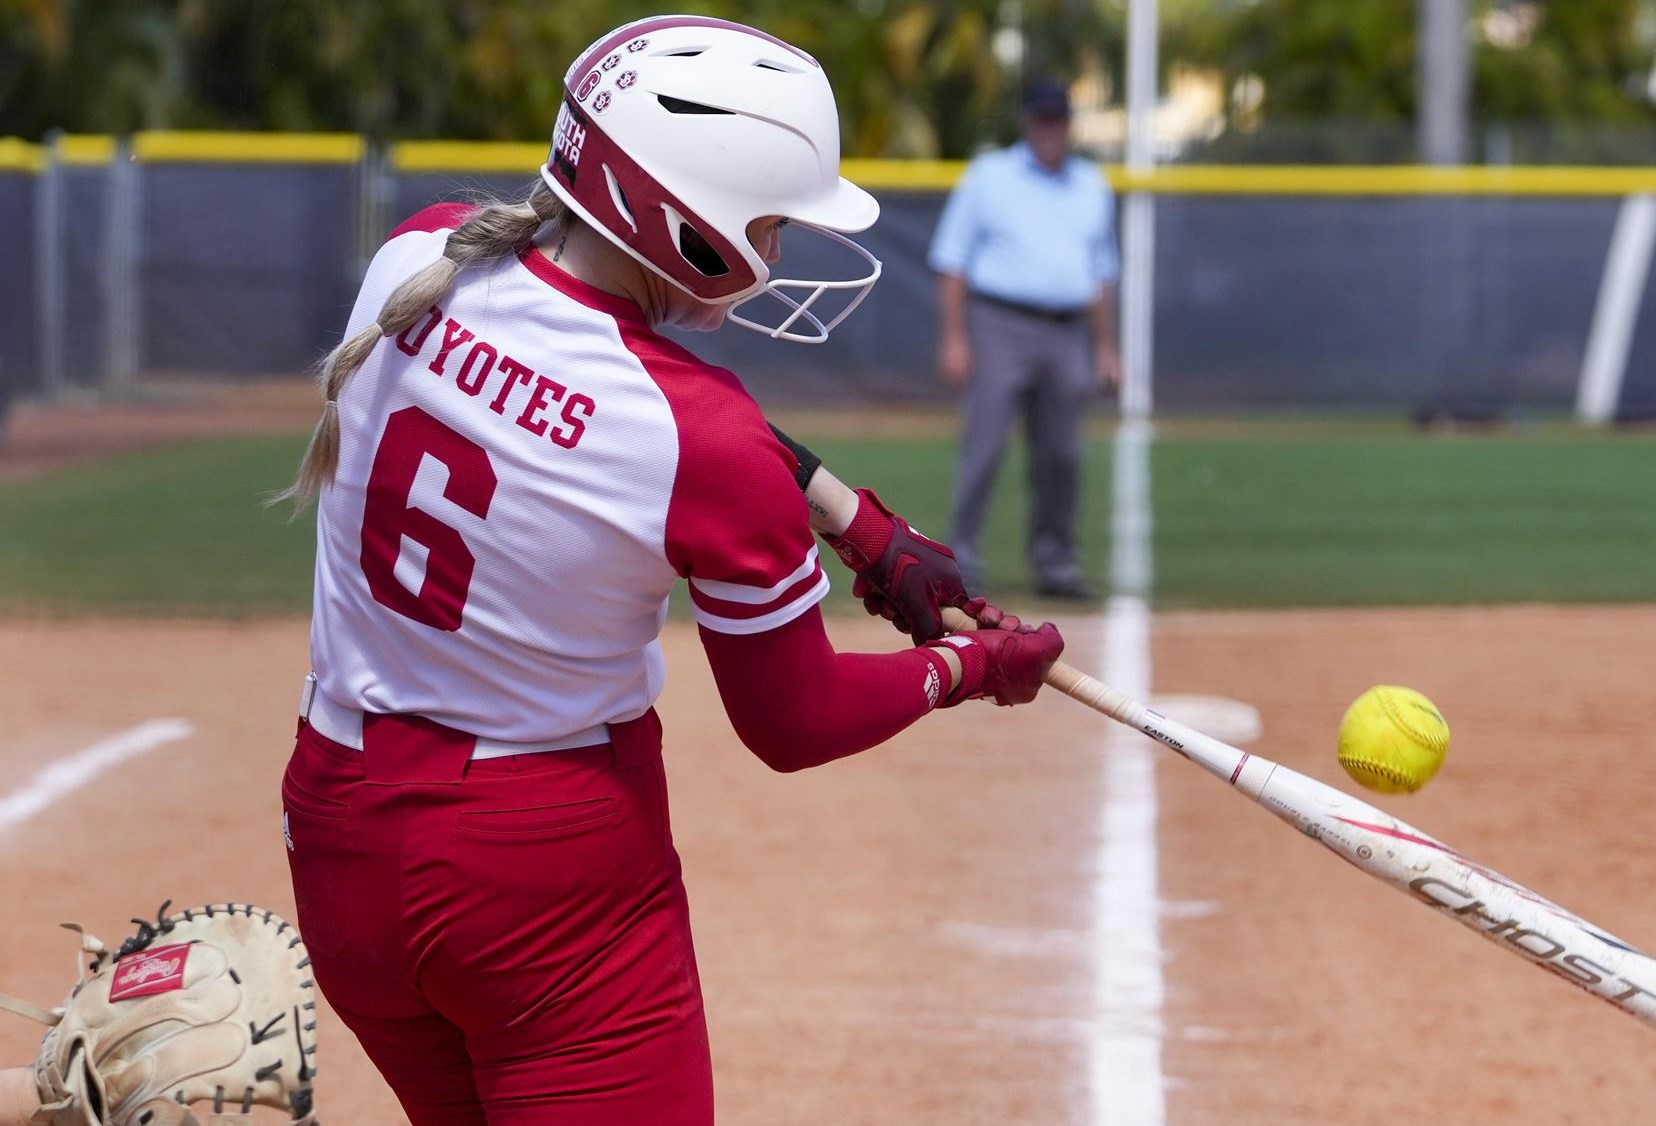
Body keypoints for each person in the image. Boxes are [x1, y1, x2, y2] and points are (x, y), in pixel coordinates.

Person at [270, 16, 1063, 1126]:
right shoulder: (703, 437)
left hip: (338, 836)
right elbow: (793, 722)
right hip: (538, 878)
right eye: (771, 226)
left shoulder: (423, 251)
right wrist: (965, 668)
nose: (777, 255)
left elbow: (612, 394)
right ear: (688, 225)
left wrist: (853, 520)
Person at [929, 76, 1121, 599]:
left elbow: (1101, 274)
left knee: (1062, 454)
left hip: (1068, 331)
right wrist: (955, 339)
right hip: (1001, 324)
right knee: (985, 445)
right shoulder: (991, 176)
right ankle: (960, 562)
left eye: (1057, 120)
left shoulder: (1091, 184)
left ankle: (1056, 564)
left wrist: (1106, 347)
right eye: (1042, 119)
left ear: (1069, 124)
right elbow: (952, 263)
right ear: (1026, 122)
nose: (1050, 130)